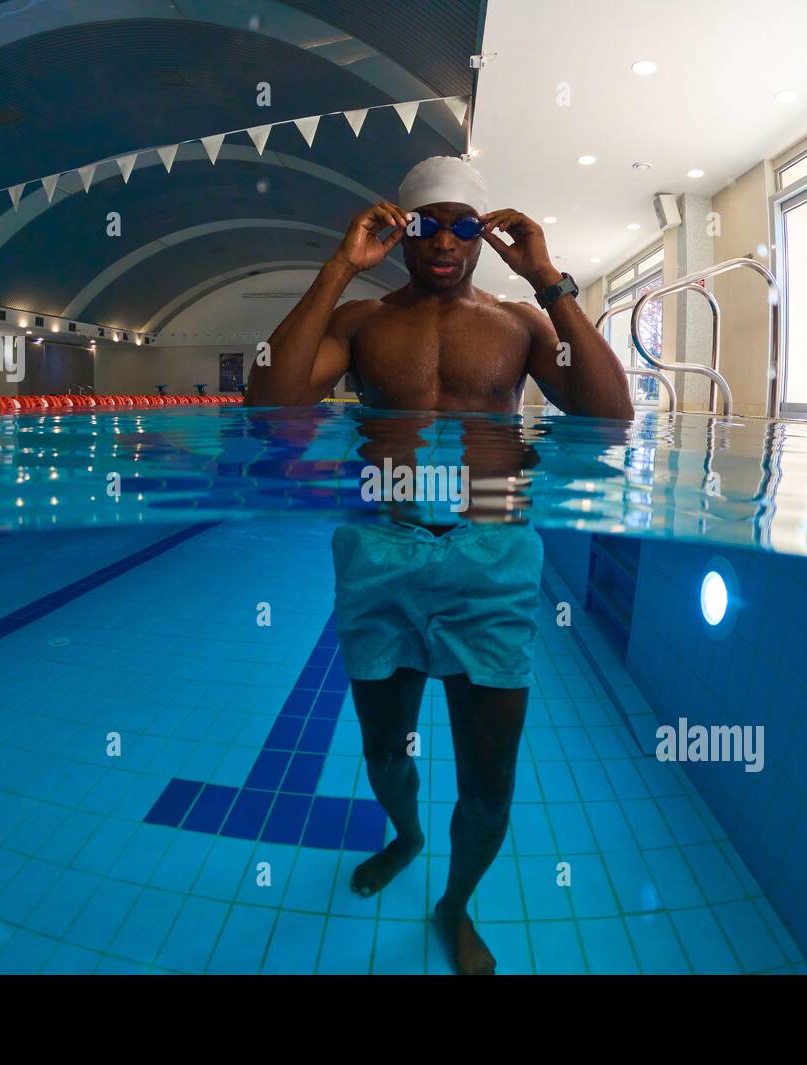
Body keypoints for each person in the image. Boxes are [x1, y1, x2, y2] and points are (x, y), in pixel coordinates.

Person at [246, 156, 632, 974]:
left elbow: (609, 413)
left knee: (490, 782)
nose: (445, 242)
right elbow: (270, 406)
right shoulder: (362, 319)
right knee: (385, 751)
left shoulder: (519, 322)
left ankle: (455, 903)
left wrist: (549, 279)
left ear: (484, 234)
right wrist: (337, 267)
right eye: (427, 225)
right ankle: (407, 833)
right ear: (401, 230)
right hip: (382, 548)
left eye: (463, 226)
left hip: (491, 554)